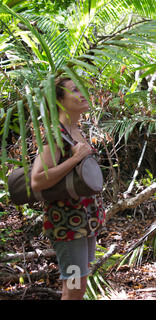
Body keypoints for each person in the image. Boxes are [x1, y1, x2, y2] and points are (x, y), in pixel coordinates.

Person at [31, 77, 105, 300]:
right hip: (67, 226)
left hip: (85, 223)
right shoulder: (55, 135)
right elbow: (37, 180)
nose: (83, 93)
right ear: (60, 101)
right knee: (74, 288)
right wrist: (75, 159)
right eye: (75, 90)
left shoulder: (76, 131)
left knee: (76, 285)